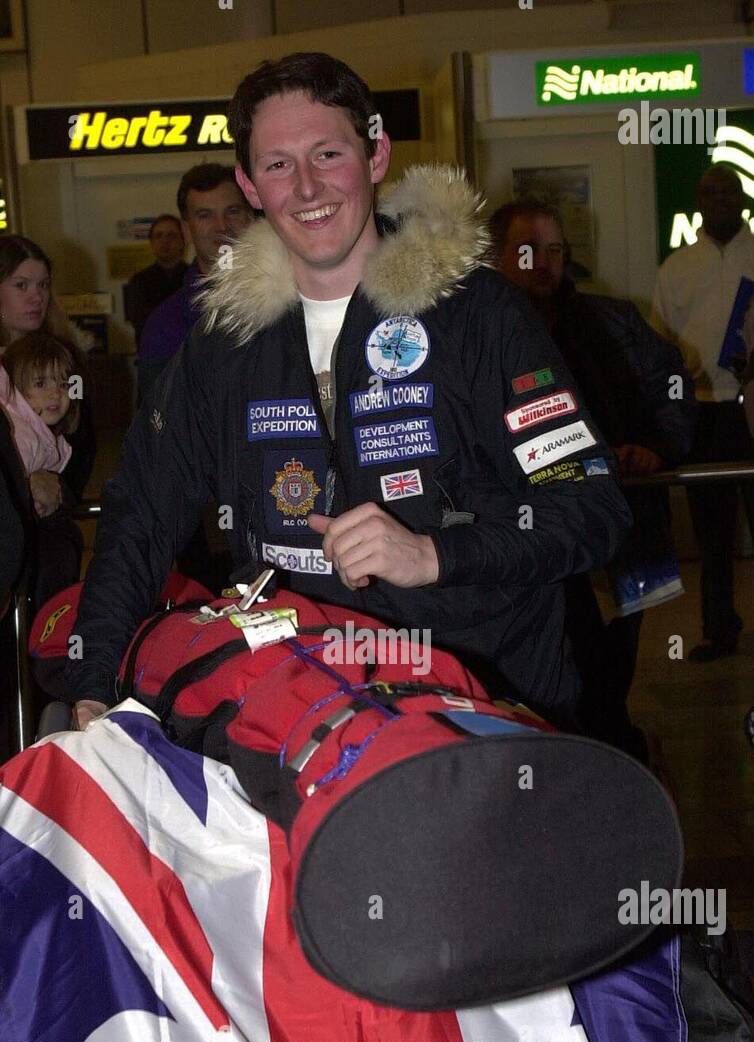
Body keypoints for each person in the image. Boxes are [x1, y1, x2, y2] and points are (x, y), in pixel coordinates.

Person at [67, 51, 631, 733]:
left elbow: (591, 507)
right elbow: (140, 517)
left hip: (484, 713)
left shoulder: (477, 315)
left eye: (328, 153)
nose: (306, 188)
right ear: (250, 185)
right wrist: (94, 682)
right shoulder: (226, 343)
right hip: (303, 718)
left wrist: (434, 555)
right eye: (278, 165)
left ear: (375, 154)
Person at [490, 198, 696, 759]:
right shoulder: (481, 331)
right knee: (563, 664)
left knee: (617, 658)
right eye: (528, 250)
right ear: (497, 255)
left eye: (555, 250)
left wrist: (655, 446)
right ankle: (592, 759)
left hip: (623, 528)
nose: (543, 263)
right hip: (537, 535)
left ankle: (613, 756)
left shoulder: (613, 321)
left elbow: (669, 384)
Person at [652, 166, 754, 661]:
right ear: (698, 201)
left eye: (727, 191)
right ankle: (719, 630)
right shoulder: (676, 268)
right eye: (709, 193)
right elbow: (661, 343)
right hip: (707, 414)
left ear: (742, 197)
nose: (718, 200)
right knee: (712, 534)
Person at [0, 236, 95, 608]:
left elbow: (82, 437)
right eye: (20, 285)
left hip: (50, 521)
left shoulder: (68, 359)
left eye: (42, 285)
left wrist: (55, 483)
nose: (35, 296)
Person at [137, 165, 253, 400]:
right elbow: (157, 426)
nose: (222, 226)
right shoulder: (165, 326)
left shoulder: (292, 302)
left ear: (250, 217)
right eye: (204, 215)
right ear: (186, 230)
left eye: (232, 211)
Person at [123, 214, 186, 348]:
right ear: (151, 243)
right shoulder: (138, 281)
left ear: (182, 241)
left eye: (171, 235)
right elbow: (140, 322)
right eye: (159, 236)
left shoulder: (195, 277)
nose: (165, 241)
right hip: (153, 354)